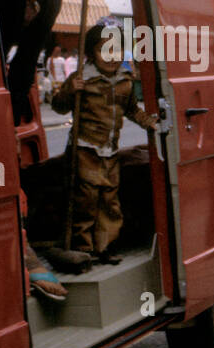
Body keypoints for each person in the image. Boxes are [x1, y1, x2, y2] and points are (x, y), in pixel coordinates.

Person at [51, 22, 159, 263]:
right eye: (104, 50)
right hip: (84, 149)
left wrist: (148, 122)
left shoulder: (126, 81)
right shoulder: (82, 79)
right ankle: (84, 247)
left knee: (110, 201)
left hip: (110, 151)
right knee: (86, 200)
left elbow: (132, 110)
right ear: (91, 53)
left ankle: (104, 247)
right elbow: (59, 107)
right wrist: (70, 90)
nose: (112, 56)